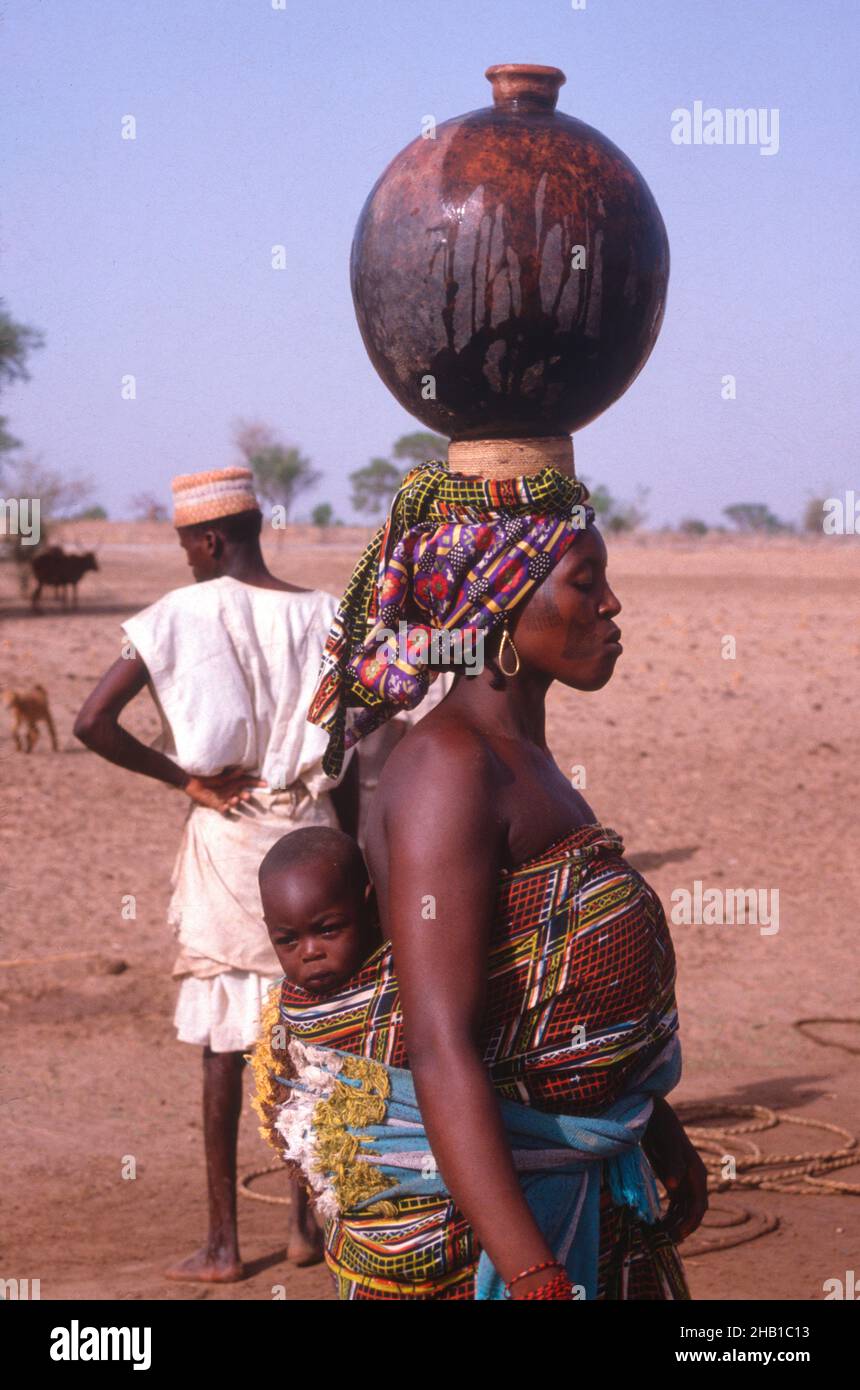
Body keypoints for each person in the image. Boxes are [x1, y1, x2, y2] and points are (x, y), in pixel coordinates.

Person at [254, 457, 708, 1300]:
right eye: (585, 582)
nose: (610, 605)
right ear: (501, 605)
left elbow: (543, 1002)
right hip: (498, 1231)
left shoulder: (522, 758)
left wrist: (653, 1124)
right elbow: (439, 1041)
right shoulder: (449, 770)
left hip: (585, 1179)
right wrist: (531, 1267)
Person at [74, 466, 358, 1282]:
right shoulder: (324, 614)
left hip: (229, 842)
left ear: (206, 539)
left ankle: (226, 1242)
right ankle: (309, 1226)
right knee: (310, 1035)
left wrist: (185, 780)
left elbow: (93, 722)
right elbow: (366, 734)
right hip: (314, 840)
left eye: (186, 547)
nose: (187, 562)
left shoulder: (178, 614)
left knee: (222, 1051)